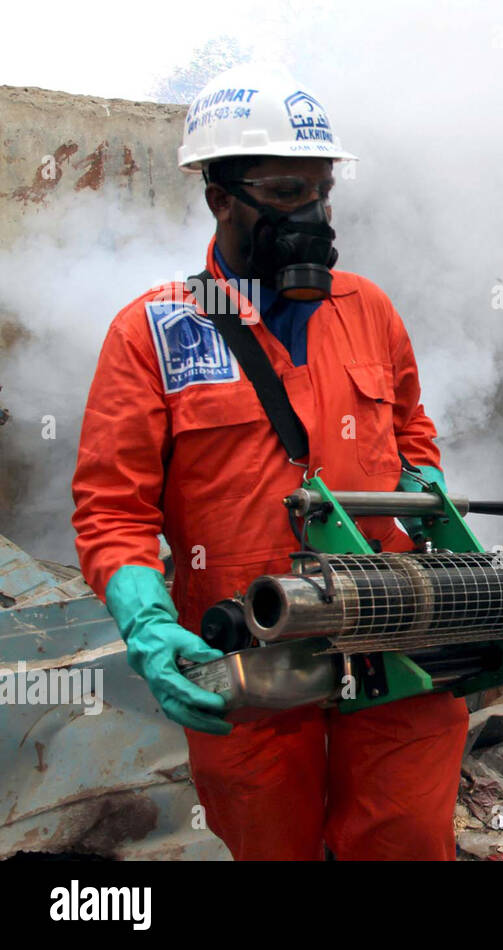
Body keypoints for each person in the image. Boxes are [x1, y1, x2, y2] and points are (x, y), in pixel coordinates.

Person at [70, 64, 467, 860]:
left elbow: (413, 433)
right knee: (269, 841)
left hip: (392, 632)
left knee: (407, 838)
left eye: (321, 192)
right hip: (249, 648)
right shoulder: (153, 332)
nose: (312, 216)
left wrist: (425, 488)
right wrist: (147, 623)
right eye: (286, 194)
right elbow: (113, 511)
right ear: (221, 197)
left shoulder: (369, 310)